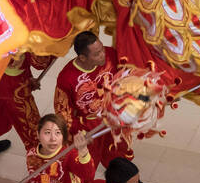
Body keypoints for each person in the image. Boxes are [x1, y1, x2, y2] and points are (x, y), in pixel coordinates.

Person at [54, 31, 144, 175]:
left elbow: (128, 75)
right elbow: (63, 112)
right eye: (97, 54)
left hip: (114, 116)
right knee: (88, 163)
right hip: (89, 126)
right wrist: (80, 132)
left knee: (118, 151)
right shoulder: (67, 78)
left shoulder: (111, 55)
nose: (103, 54)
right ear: (82, 57)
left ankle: (125, 181)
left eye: (102, 48)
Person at [0, 51, 47, 157]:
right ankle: (40, 158)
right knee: (29, 123)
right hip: (15, 86)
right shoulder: (26, 37)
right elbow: (40, 63)